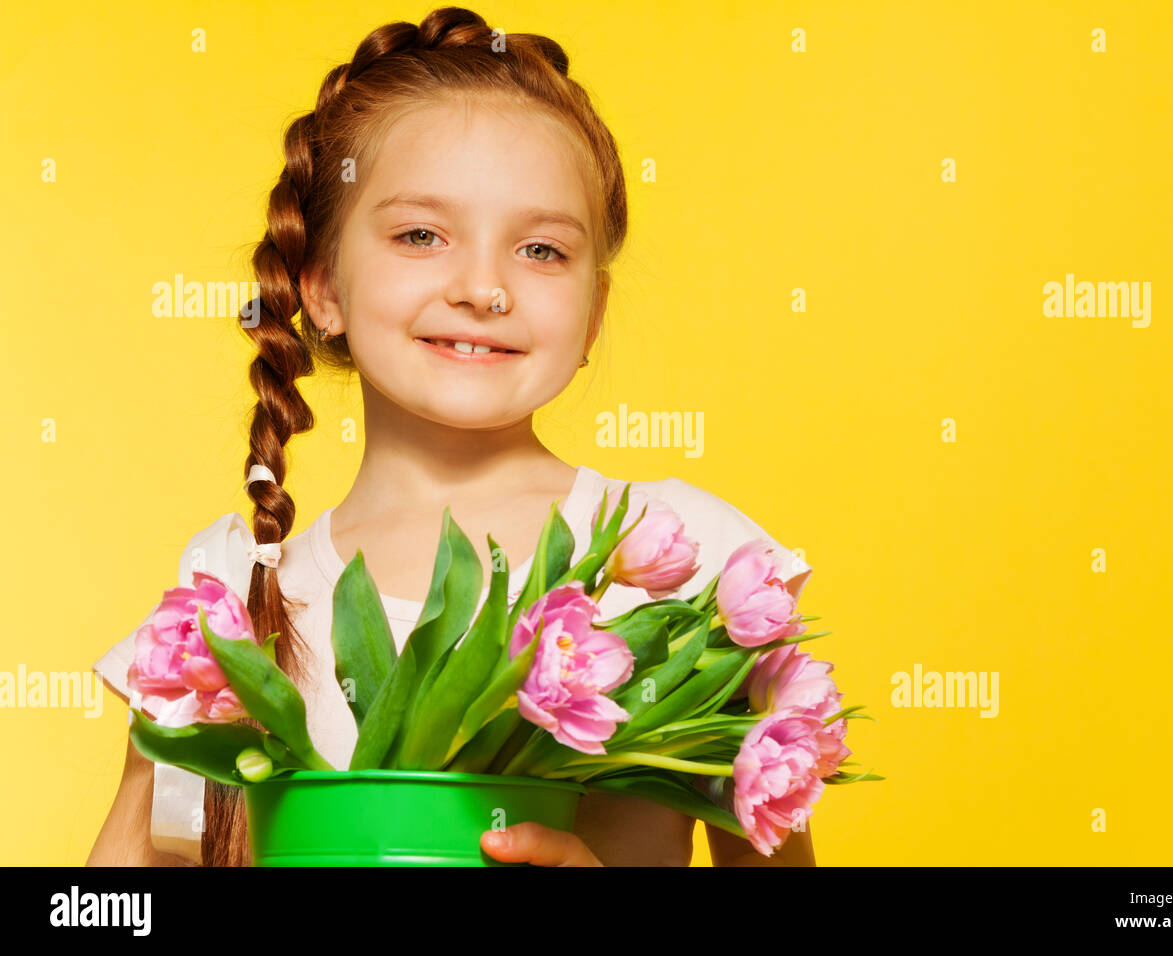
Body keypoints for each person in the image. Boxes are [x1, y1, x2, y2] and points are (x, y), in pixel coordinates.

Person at [86, 5, 814, 867]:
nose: (483, 287)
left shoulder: (693, 562)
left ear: (594, 315)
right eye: (420, 235)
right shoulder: (224, 605)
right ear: (320, 286)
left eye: (541, 250)